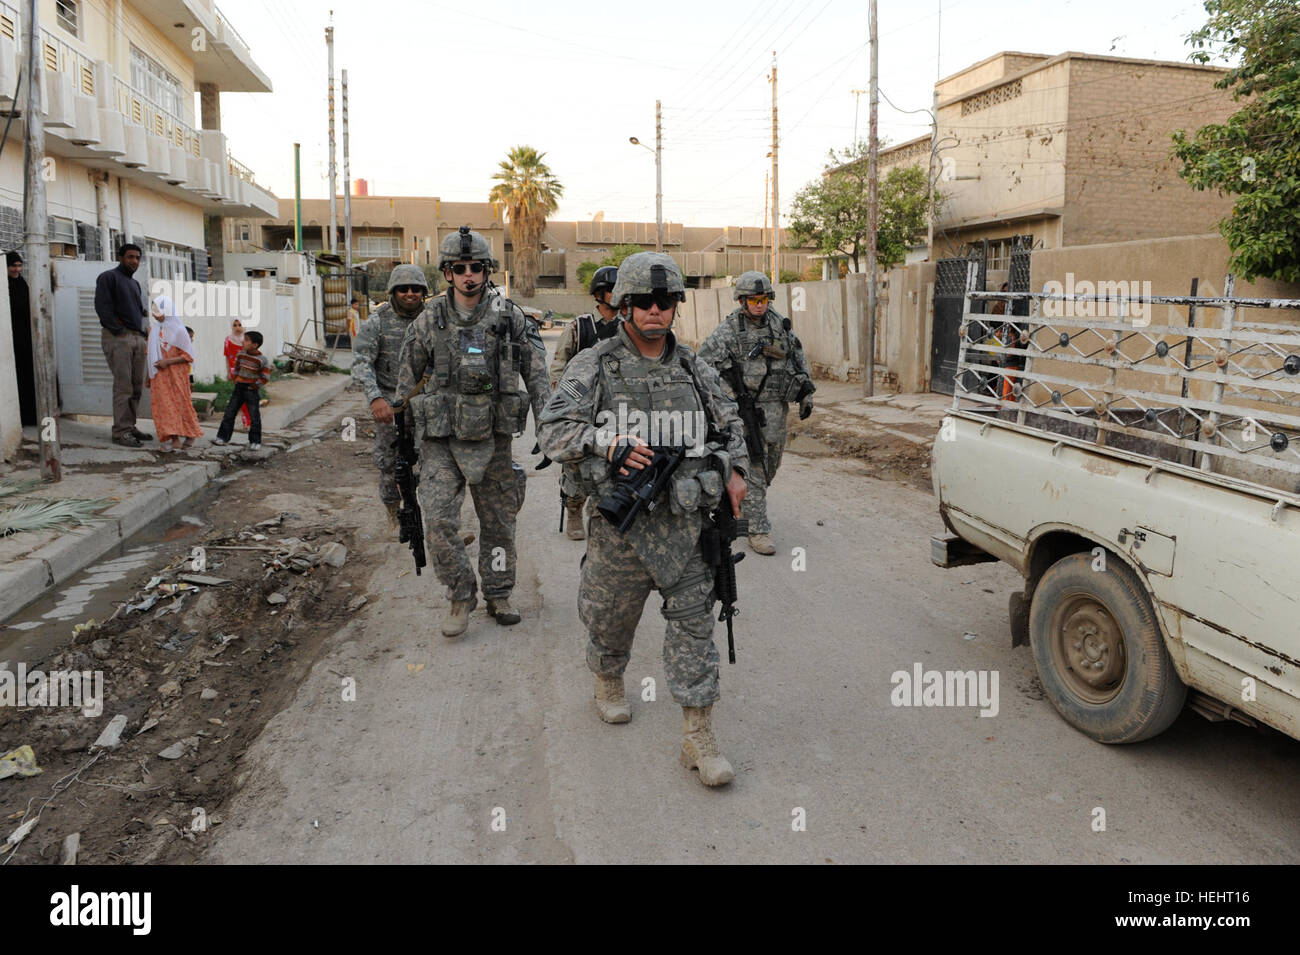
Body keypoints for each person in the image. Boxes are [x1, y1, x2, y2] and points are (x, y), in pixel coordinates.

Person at [537, 252, 749, 788]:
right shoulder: (596, 364)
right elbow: (553, 431)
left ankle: (698, 736)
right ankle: (609, 679)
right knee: (609, 621)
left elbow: (730, 424)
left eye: (666, 302)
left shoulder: (692, 365)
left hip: (686, 527)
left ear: (676, 307)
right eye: (644, 302)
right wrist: (604, 443)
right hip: (622, 531)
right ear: (625, 306)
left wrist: (735, 469)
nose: (656, 311)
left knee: (695, 629)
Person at [394, 227, 550, 637]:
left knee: (498, 521)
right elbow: (406, 380)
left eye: (476, 268)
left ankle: (499, 592)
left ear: (487, 270)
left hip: (493, 437)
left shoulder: (509, 317)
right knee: (439, 518)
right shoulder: (430, 319)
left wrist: (548, 423)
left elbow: (536, 373)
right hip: (442, 439)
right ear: (447, 273)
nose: (468, 276)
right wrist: (402, 434)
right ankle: (460, 594)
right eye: (459, 268)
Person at [698, 270, 814, 556]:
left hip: (777, 408)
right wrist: (727, 395)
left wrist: (807, 392)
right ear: (742, 300)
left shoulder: (779, 326)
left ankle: (738, 501)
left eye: (763, 299)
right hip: (744, 410)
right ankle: (758, 529)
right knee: (756, 468)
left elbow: (797, 357)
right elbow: (703, 364)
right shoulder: (729, 331)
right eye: (753, 299)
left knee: (771, 465)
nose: (759, 304)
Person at [548, 265, 624, 540]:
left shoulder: (628, 327)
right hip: (582, 408)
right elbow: (559, 366)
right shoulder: (580, 327)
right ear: (600, 294)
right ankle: (573, 510)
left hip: (616, 410)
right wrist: (564, 405)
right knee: (575, 465)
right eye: (613, 290)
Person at [352, 265, 430, 524]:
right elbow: (361, 362)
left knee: (434, 462)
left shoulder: (433, 319)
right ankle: (393, 514)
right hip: (390, 407)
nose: (410, 294)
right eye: (403, 289)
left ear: (423, 292)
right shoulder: (378, 321)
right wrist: (375, 398)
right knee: (389, 464)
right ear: (393, 291)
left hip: (427, 405)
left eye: (416, 289)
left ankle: (434, 519)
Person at [94, 243, 152, 447]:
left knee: (136, 387)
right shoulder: (108, 277)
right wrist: (118, 330)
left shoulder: (134, 284)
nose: (134, 261)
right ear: (120, 257)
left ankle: (129, 426)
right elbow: (102, 307)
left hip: (137, 338)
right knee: (123, 386)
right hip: (118, 338)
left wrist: (143, 334)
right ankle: (120, 432)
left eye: (137, 258)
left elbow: (137, 311)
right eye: (130, 257)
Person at [146, 295, 202, 451]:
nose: (154, 313)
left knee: (181, 404)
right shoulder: (154, 330)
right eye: (153, 310)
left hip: (176, 376)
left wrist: (167, 362)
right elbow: (149, 354)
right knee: (164, 407)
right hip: (159, 377)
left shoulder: (179, 331)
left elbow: (187, 356)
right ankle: (174, 439)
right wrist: (148, 376)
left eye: (157, 310)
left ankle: (190, 435)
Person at [212, 330, 270, 449]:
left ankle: (255, 441)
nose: (243, 341)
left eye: (247, 340)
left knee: (254, 416)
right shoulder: (241, 354)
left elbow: (265, 377)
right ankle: (222, 437)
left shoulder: (262, 360)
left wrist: (254, 386)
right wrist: (236, 379)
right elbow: (237, 367)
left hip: (251, 390)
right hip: (239, 388)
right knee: (230, 413)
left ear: (255, 345)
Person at [6, 251, 35, 427]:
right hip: (13, 339)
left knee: (28, 376)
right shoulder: (6, 285)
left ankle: (30, 415)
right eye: (13, 266)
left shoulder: (22, 283)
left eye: (19, 265)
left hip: (26, 338)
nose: (17, 269)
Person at [223, 319, 251, 430]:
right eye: (234, 325)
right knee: (242, 397)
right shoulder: (228, 340)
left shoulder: (248, 340)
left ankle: (249, 421)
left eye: (240, 325)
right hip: (235, 372)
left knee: (248, 397)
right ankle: (247, 422)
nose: (237, 327)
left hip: (247, 372)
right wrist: (228, 372)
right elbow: (227, 356)